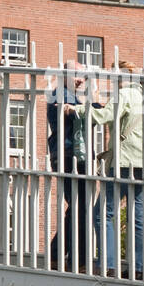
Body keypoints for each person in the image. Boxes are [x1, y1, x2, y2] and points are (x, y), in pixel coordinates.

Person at [91, 60, 144, 277]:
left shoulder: (125, 95)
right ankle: (139, 269)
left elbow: (103, 116)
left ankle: (108, 265)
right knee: (137, 217)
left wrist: (78, 110)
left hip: (125, 162)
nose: (113, 80)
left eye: (115, 76)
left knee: (103, 213)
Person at [46, 62, 90, 271]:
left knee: (78, 207)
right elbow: (83, 113)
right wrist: (98, 107)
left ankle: (58, 254)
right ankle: (77, 260)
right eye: (77, 75)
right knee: (81, 207)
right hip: (69, 155)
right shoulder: (60, 95)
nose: (81, 80)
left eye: (83, 76)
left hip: (67, 154)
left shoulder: (66, 95)